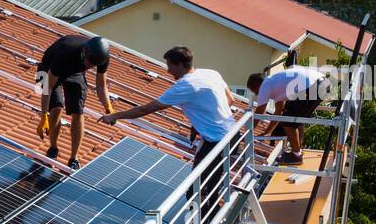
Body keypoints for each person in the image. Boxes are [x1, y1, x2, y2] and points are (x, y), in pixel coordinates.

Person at [102, 46, 240, 168]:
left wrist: (114, 115)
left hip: (216, 143)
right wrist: (204, 121)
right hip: (234, 134)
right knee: (212, 183)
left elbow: (145, 109)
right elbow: (231, 100)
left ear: (179, 64)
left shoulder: (185, 86)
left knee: (197, 189)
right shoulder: (211, 73)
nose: (168, 71)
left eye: (170, 66)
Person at [35, 35, 113, 170]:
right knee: (56, 108)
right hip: (48, 70)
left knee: (78, 112)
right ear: (84, 52)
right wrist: (43, 115)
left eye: (93, 65)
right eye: (89, 62)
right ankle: (53, 149)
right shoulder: (65, 54)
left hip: (74, 71)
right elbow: (48, 87)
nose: (89, 66)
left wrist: (108, 106)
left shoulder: (103, 58)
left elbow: (101, 85)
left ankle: (74, 158)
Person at [246, 63, 326, 165]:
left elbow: (260, 112)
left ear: (256, 85)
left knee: (289, 120)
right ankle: (298, 151)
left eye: (254, 91)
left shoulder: (265, 85)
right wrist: (267, 132)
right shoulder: (275, 84)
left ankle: (296, 155)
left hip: (313, 86)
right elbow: (279, 112)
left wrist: (248, 132)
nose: (256, 94)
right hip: (323, 84)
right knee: (296, 119)